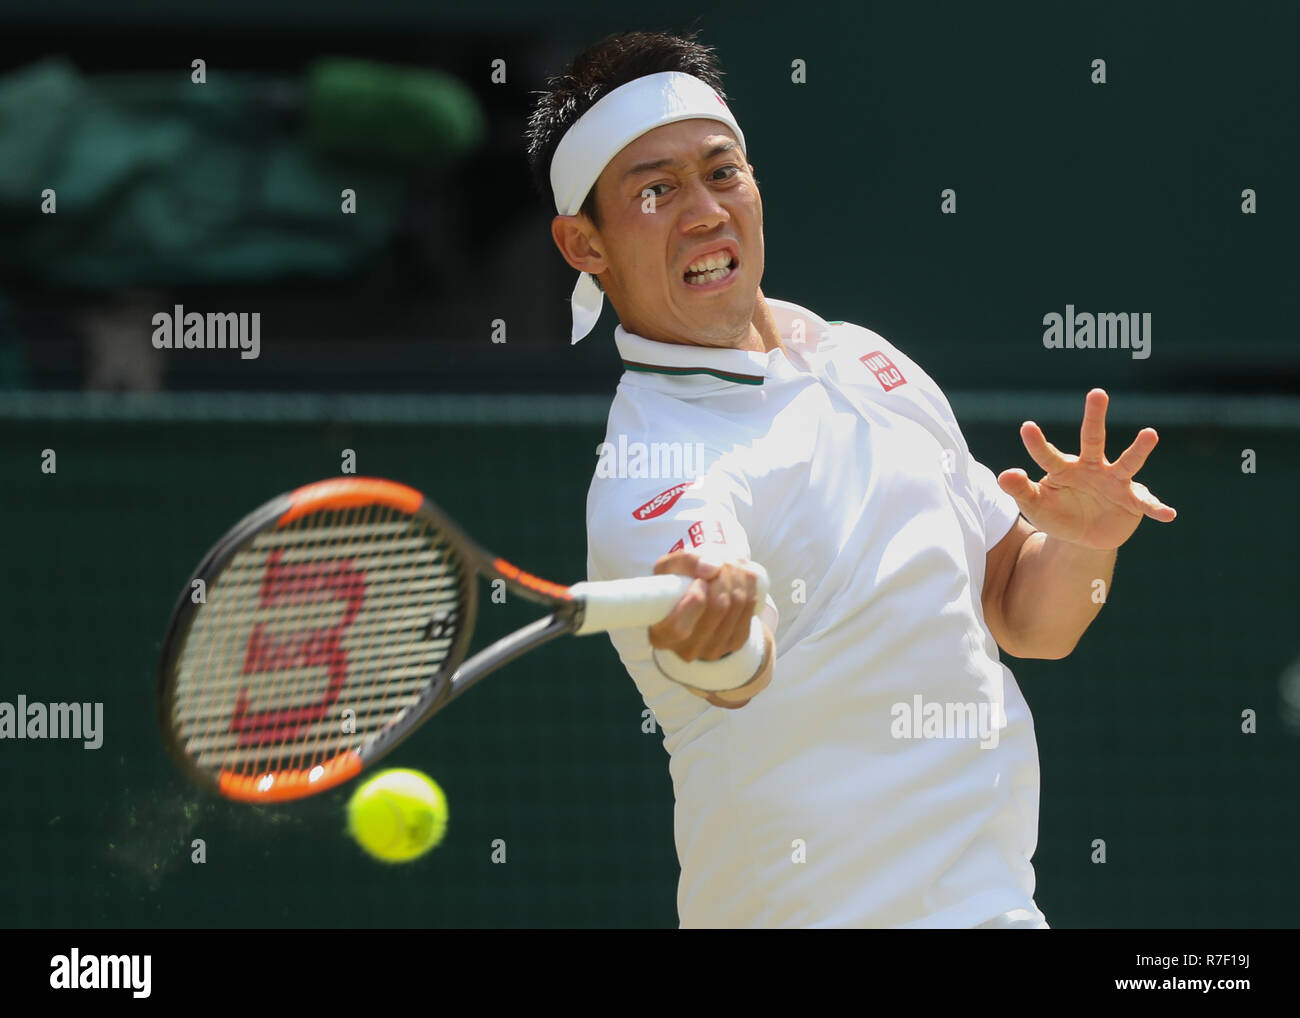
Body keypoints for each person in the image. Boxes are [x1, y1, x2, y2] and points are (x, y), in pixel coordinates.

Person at [525, 30, 1177, 928]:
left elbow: (1029, 618)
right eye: (655, 190)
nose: (707, 211)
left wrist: (1079, 542)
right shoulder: (657, 462)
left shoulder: (868, 361)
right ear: (583, 245)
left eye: (723, 173)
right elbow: (728, 664)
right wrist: (715, 619)